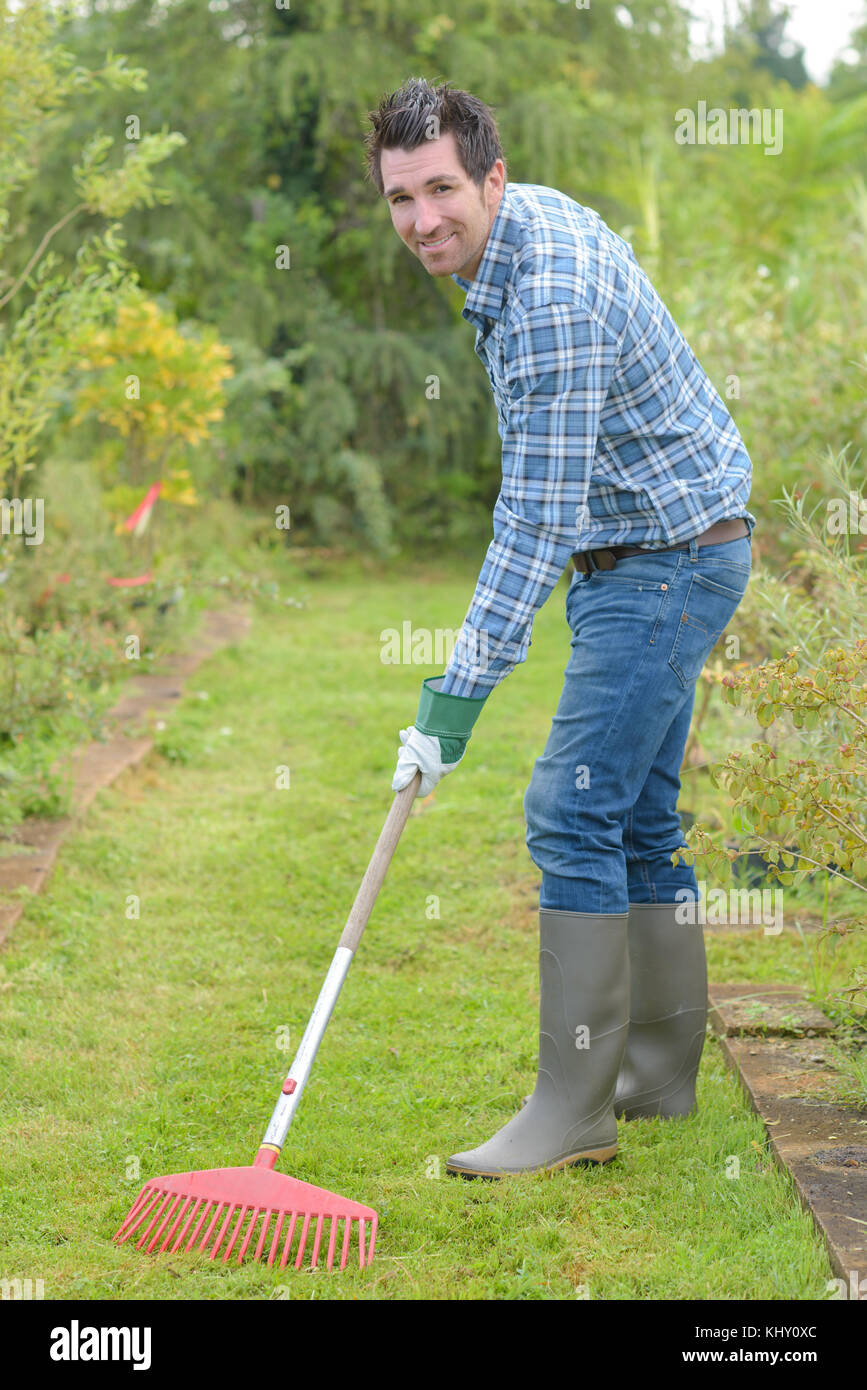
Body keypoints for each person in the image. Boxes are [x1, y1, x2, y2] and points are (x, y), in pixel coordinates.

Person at [364, 78, 755, 1178]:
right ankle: (658, 1076)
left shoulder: (548, 299)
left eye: (442, 190)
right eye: (401, 198)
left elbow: (536, 520)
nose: (423, 220)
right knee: (636, 816)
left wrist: (450, 704)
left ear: (490, 177)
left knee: (570, 808)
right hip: (665, 544)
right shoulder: (515, 235)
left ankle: (573, 1108)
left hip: (666, 562)